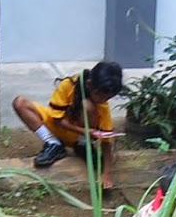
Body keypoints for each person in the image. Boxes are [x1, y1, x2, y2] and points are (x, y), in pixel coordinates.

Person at [13, 60, 124, 188]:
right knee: (20, 103)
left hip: (77, 136)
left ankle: (83, 145)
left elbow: (106, 142)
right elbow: (57, 120)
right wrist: (84, 131)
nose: (104, 101)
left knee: (87, 106)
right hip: (57, 127)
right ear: (89, 85)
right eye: (103, 97)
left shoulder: (101, 104)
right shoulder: (68, 85)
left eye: (108, 99)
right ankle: (53, 143)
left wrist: (106, 173)